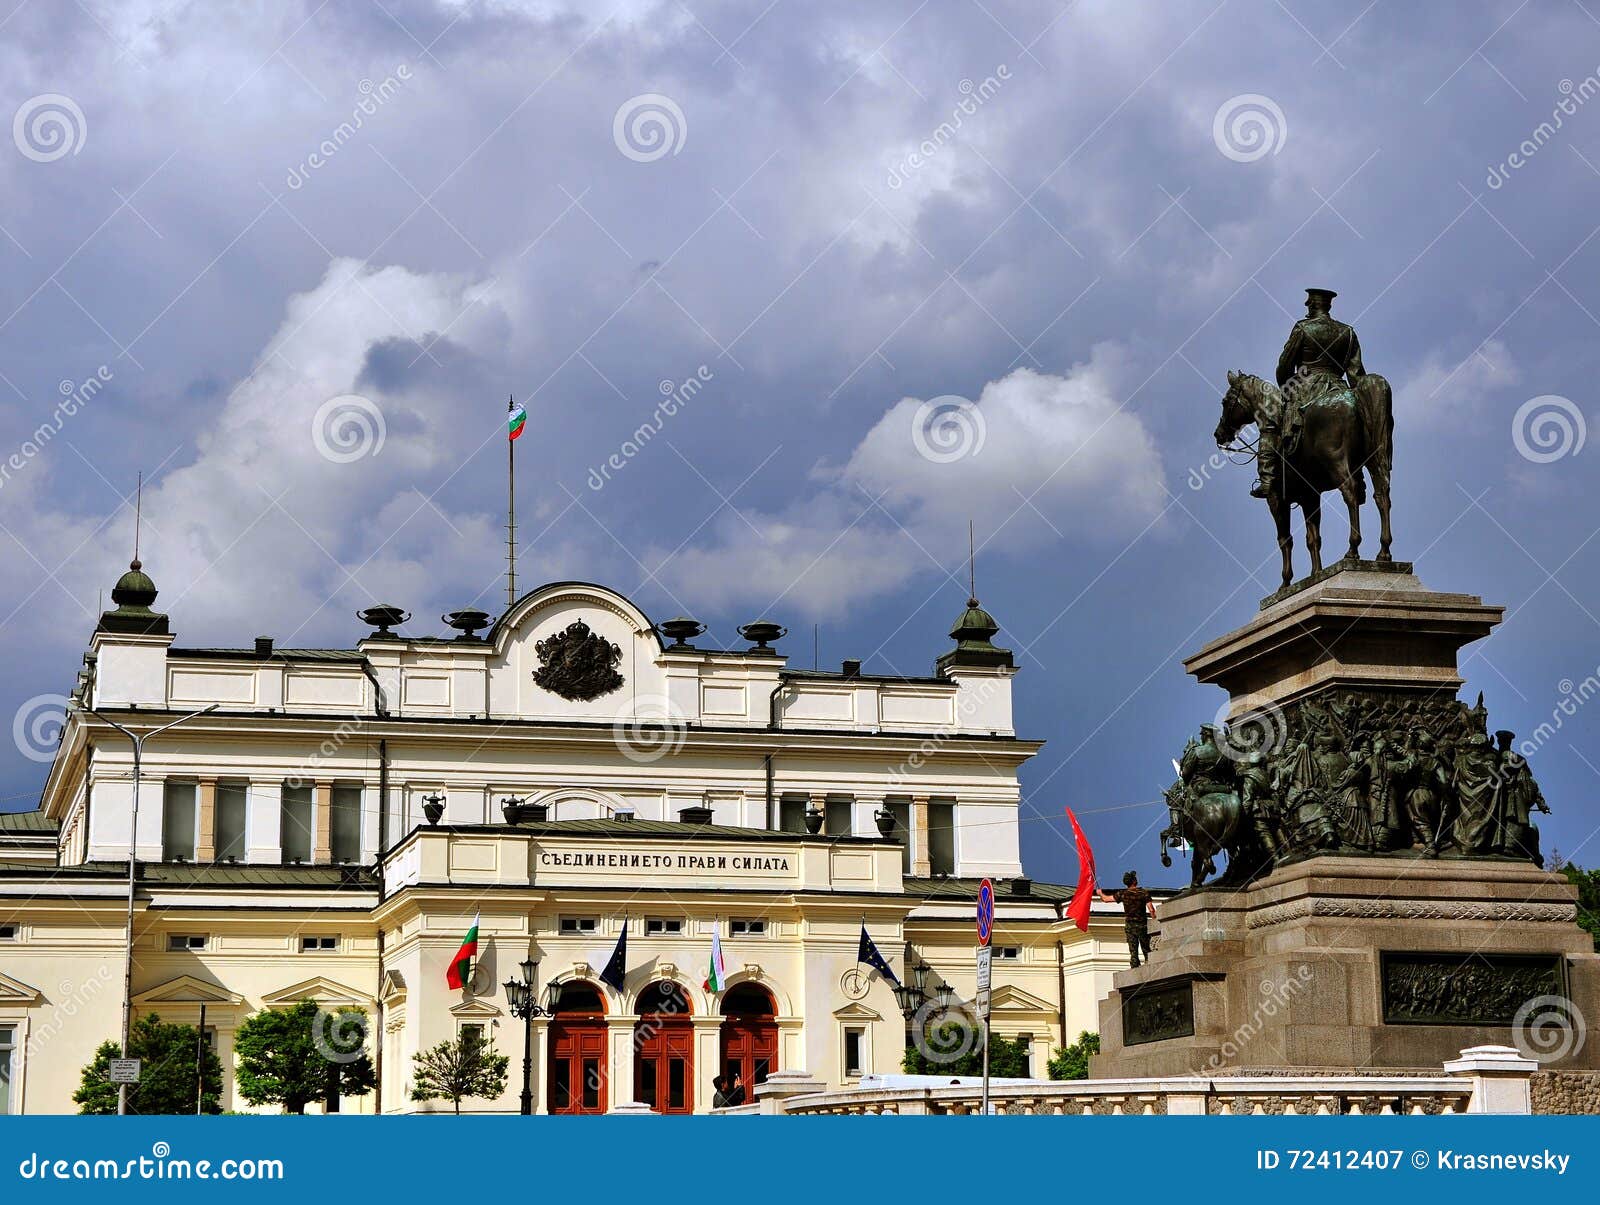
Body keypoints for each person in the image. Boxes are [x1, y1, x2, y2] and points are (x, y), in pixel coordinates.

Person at [1253, 287, 1367, 499]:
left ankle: (1267, 479)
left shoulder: (1303, 328)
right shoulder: (1348, 332)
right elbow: (1356, 374)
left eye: (1309, 303)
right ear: (1328, 306)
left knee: (1270, 422)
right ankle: (1358, 478)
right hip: (1339, 388)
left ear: (1313, 305)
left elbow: (1284, 366)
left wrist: (1286, 386)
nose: (1307, 306)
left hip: (1305, 389)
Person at [1098, 870, 1157, 968]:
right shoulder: (1143, 893)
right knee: (1146, 949)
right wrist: (1155, 921)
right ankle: (1150, 965)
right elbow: (1151, 909)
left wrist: (1100, 893)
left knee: (1133, 951)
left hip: (1130, 926)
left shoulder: (1123, 894)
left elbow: (1106, 899)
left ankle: (1135, 968)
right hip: (1142, 925)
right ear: (1134, 881)